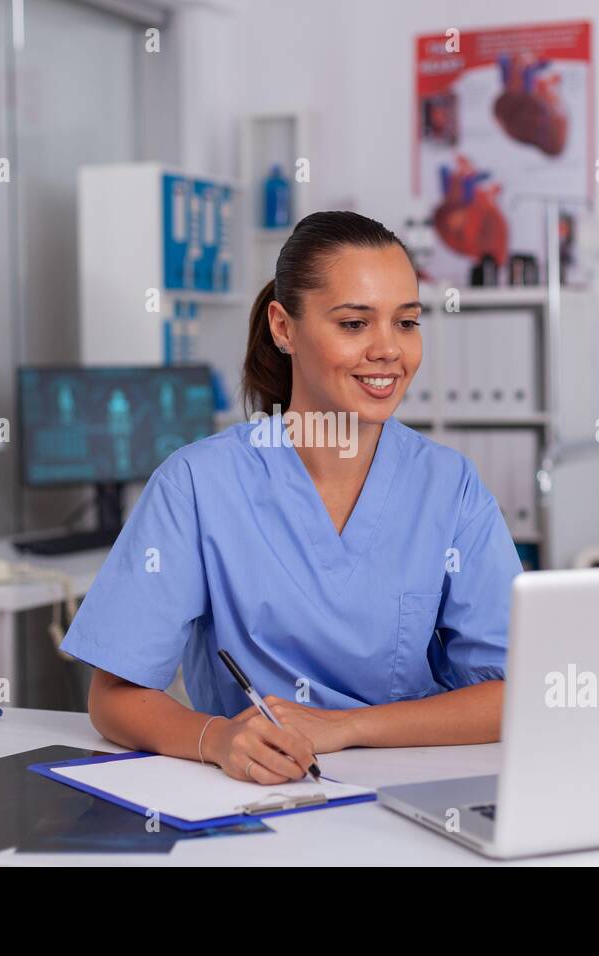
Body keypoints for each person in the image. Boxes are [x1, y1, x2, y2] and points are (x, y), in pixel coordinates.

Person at [60, 210, 520, 785]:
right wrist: (218, 738)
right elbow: (114, 696)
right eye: (354, 324)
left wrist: (346, 726)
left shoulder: (449, 487)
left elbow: (510, 692)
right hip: (255, 792)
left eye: (406, 322)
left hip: (416, 793)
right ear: (284, 327)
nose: (388, 350)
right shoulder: (199, 484)